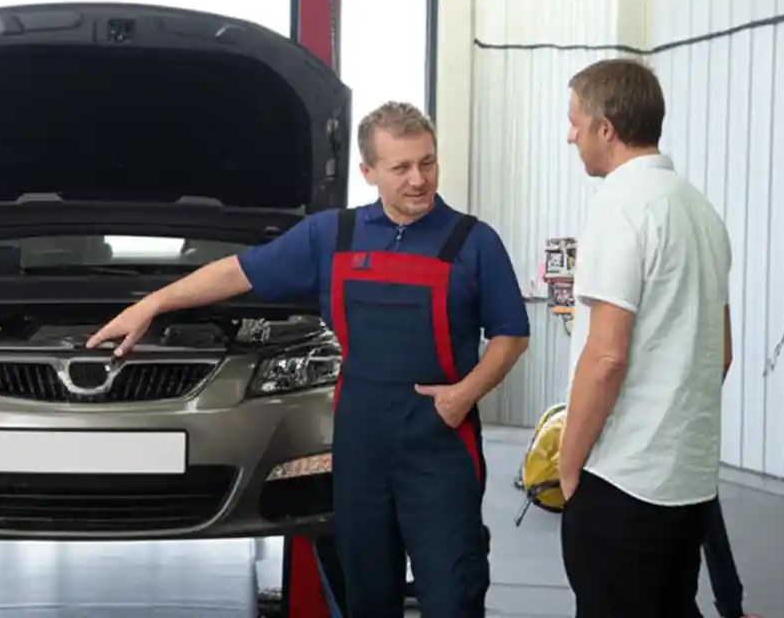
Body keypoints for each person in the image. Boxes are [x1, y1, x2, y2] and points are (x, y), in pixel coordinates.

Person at [87, 101, 530, 617]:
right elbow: (238, 272)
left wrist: (463, 396)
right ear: (368, 172)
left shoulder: (473, 242)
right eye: (401, 167)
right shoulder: (332, 237)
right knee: (366, 595)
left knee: (454, 593)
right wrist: (151, 304)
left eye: (427, 162)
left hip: (440, 443)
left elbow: (511, 334)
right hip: (360, 445)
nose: (418, 179)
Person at [556, 58, 732, 617]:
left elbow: (606, 357)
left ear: (605, 129)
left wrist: (568, 463)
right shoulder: (701, 211)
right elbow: (721, 353)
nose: (571, 136)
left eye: (575, 123)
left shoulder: (620, 208)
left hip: (622, 482)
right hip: (687, 483)